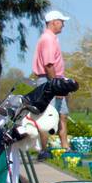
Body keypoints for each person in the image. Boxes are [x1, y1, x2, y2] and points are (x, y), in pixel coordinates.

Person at [31, 9, 70, 150]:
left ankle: (65, 147)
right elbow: (48, 65)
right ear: (54, 22)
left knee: (62, 115)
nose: (63, 25)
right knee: (47, 116)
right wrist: (56, 85)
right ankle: (44, 150)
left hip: (55, 80)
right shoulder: (47, 39)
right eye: (61, 22)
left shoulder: (51, 38)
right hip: (49, 81)